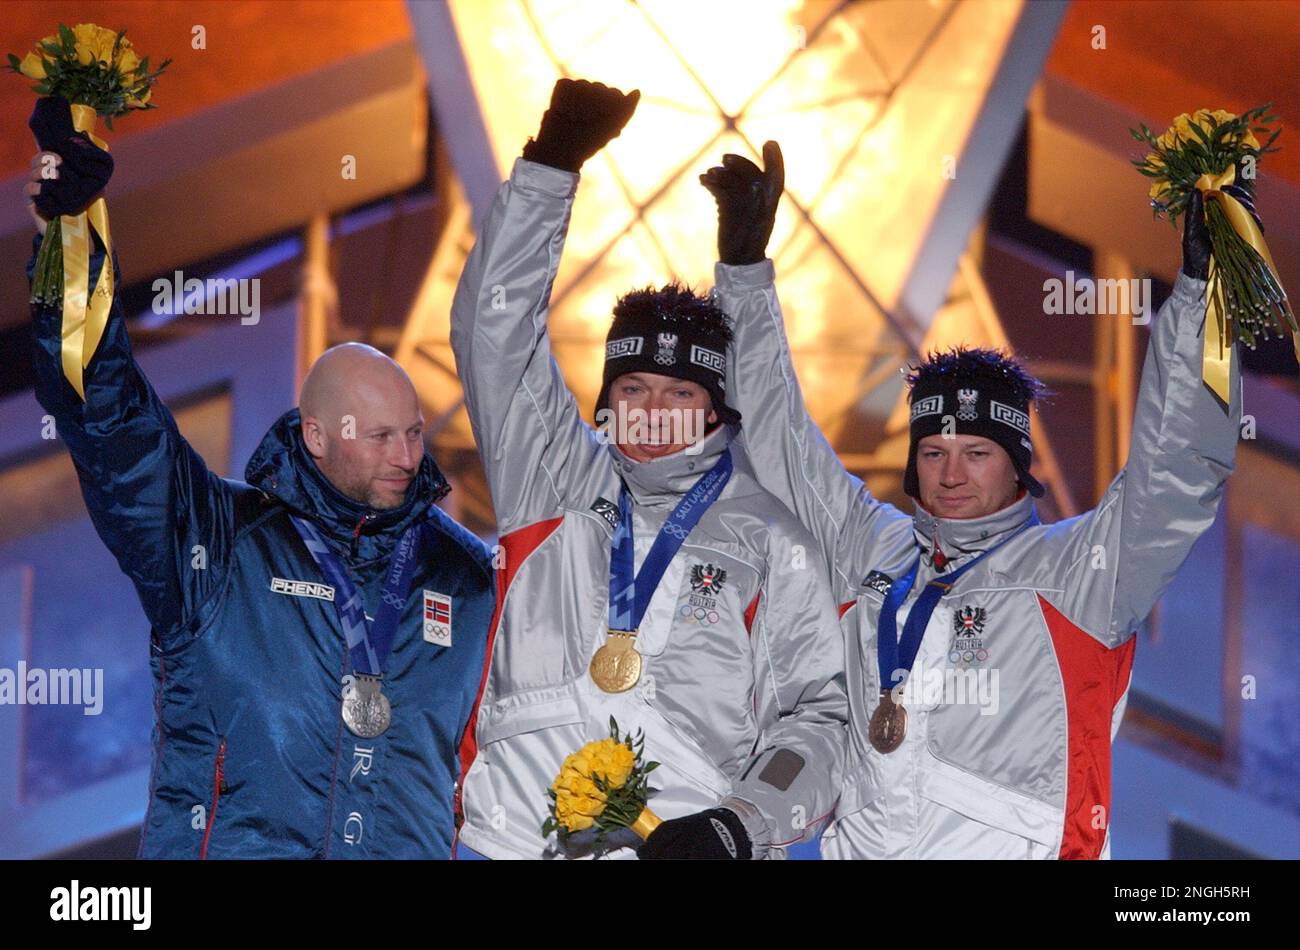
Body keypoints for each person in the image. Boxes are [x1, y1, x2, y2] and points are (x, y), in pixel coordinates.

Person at [702, 140, 1248, 859]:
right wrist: (743, 277)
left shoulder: (1083, 572)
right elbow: (778, 442)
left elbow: (1179, 465)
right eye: (933, 453)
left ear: (1019, 467)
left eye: (977, 454)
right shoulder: (874, 548)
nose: (951, 474)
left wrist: (1205, 293)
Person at [24, 97, 494, 858]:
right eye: (378, 438)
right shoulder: (215, 540)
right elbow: (108, 418)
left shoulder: (469, 578)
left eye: (412, 433)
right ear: (314, 435)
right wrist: (70, 244)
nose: (409, 457)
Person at [450, 80, 847, 860]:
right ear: (607, 398)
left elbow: (818, 717)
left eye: (679, 393)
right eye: (632, 389)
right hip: (510, 841)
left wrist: (741, 826)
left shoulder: (771, 536)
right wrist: (549, 166)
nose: (653, 411)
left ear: (715, 409)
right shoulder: (554, 479)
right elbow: (493, 337)